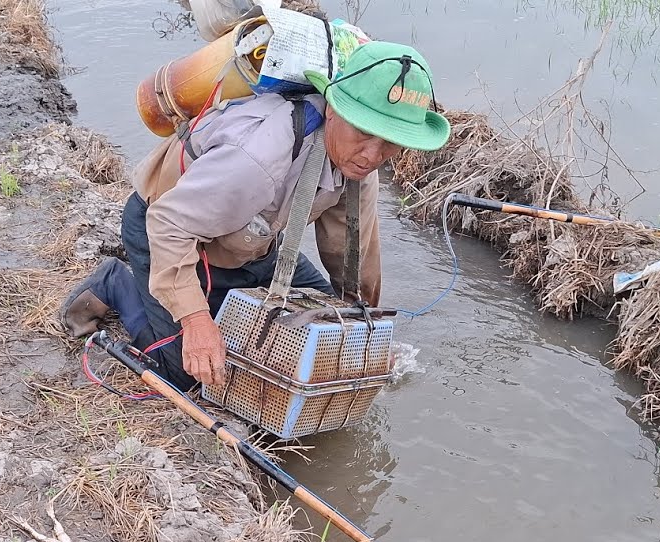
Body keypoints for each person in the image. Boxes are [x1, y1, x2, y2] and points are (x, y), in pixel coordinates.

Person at [61, 39, 450, 390]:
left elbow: (352, 251)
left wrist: (363, 329)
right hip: (170, 231)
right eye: (365, 133)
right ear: (333, 109)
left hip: (254, 242)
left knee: (331, 318)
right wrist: (196, 322)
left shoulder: (358, 167)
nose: (373, 155)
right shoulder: (258, 157)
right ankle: (115, 282)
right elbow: (168, 224)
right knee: (186, 370)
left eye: (391, 143)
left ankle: (218, 295)